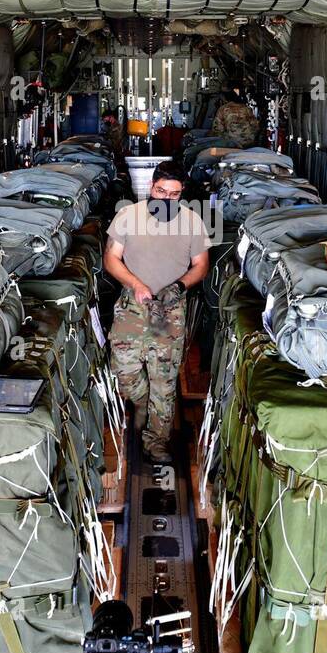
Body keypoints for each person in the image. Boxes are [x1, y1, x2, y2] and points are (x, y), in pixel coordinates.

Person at [104, 161, 211, 462]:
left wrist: (179, 286)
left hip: (171, 310)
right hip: (133, 307)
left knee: (164, 381)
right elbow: (111, 259)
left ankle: (156, 440)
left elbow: (201, 265)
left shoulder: (193, 222)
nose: (166, 199)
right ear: (151, 187)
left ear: (182, 194)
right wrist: (136, 284)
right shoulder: (128, 216)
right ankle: (141, 402)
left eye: (174, 194)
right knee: (124, 371)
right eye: (161, 191)